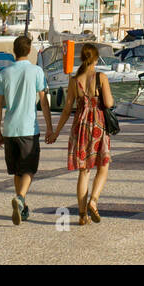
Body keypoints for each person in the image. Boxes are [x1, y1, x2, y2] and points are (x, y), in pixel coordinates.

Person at [50, 43, 113, 225]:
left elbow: (67, 109)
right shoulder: (101, 77)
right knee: (103, 166)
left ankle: (82, 214)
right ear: (95, 58)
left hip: (80, 126)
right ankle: (93, 200)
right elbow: (108, 103)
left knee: (83, 171)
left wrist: (56, 132)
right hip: (98, 125)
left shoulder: (73, 80)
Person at [0, 34, 53, 226]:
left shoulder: (4, 73)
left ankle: (23, 206)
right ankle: (20, 198)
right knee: (29, 169)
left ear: (14, 51)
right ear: (29, 51)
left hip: (10, 128)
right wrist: (49, 128)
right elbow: (43, 101)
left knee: (18, 171)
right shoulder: (36, 71)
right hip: (28, 128)